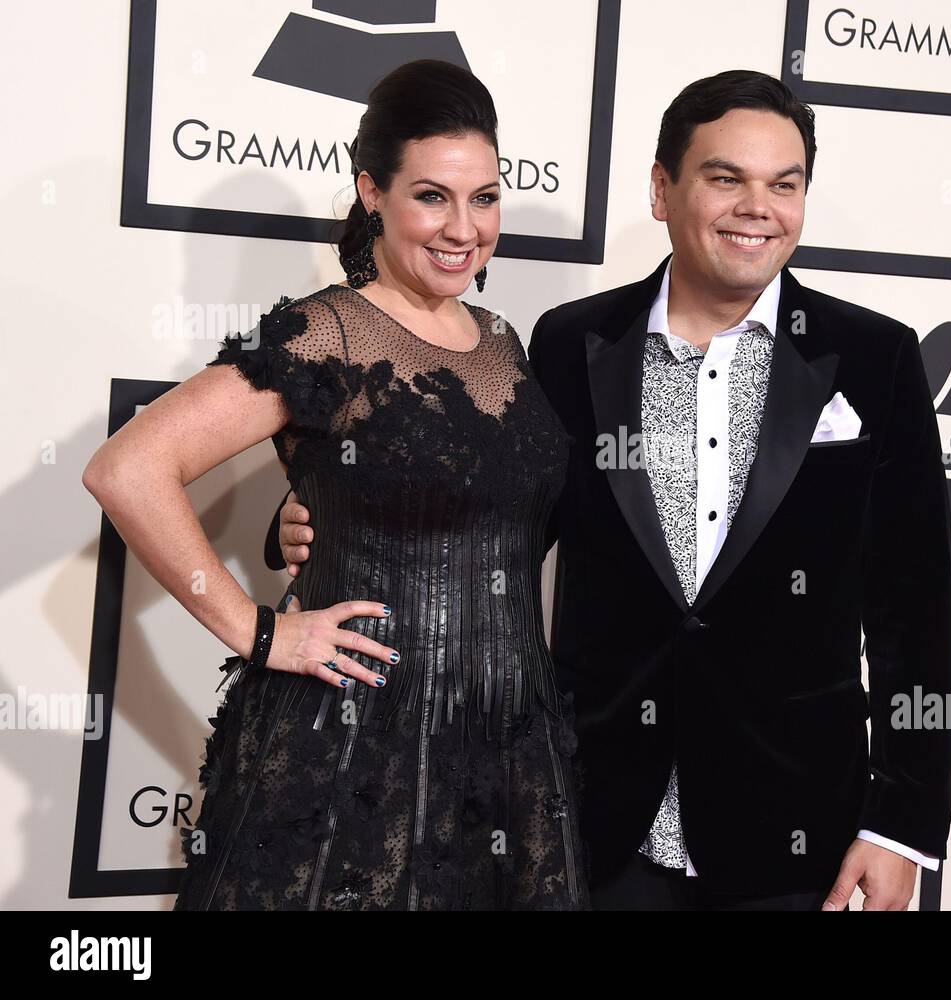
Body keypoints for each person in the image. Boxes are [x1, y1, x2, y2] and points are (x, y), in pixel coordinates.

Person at [276, 69, 951, 911]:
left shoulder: (875, 358)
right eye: (726, 178)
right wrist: (329, 518)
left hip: (798, 832)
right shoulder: (572, 344)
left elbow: (914, 609)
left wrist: (901, 825)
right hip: (590, 822)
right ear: (662, 189)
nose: (759, 207)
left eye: (785, 184)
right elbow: (494, 520)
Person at [82, 59, 589, 910]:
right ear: (371, 193)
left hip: (508, 750)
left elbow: (458, 506)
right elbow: (127, 469)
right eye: (432, 196)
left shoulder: (504, 343)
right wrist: (258, 631)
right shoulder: (330, 332)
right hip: (356, 754)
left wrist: (310, 508)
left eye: (485, 197)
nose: (464, 227)